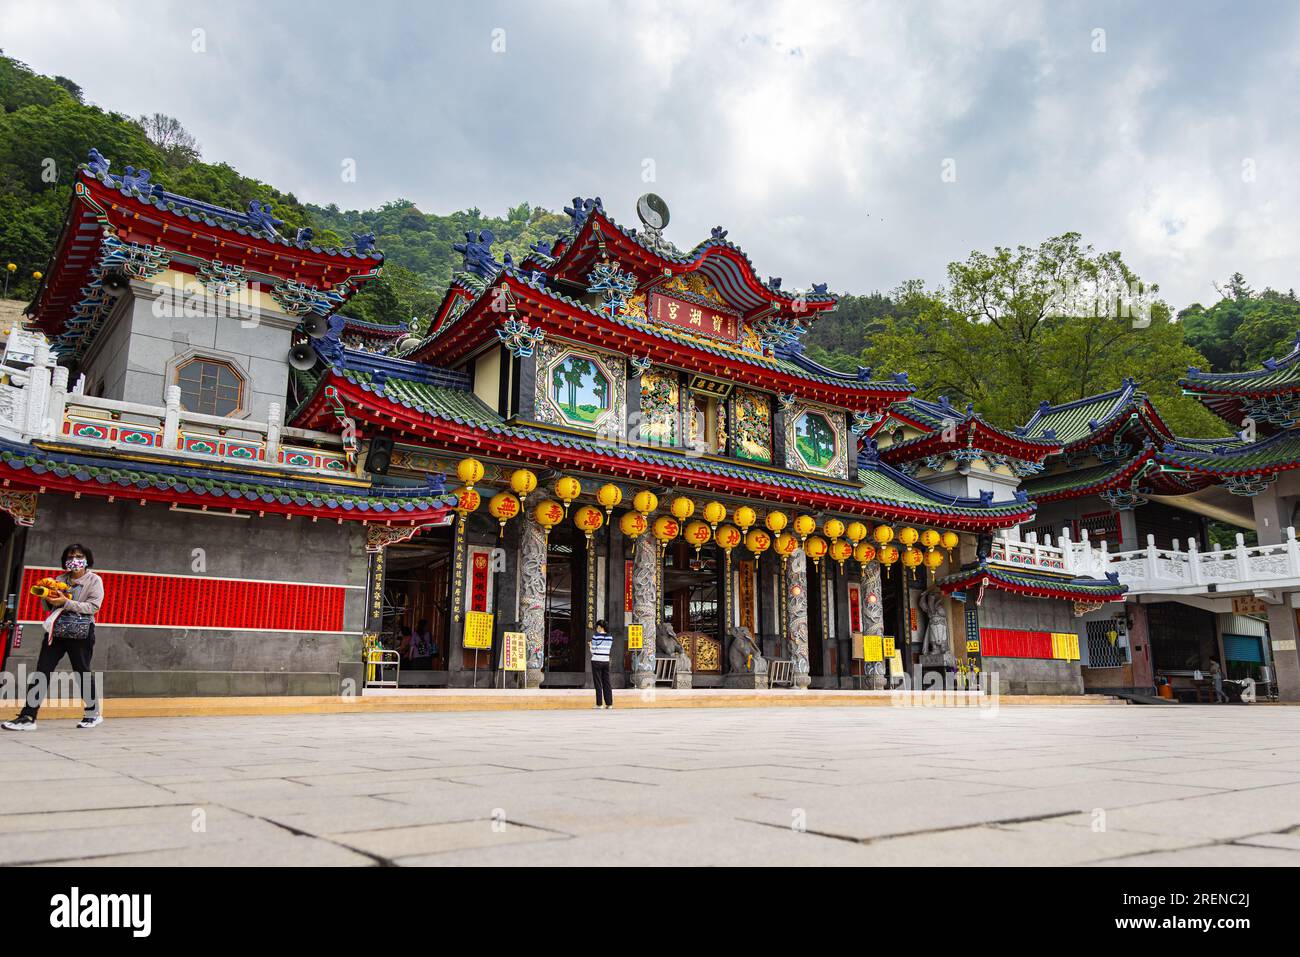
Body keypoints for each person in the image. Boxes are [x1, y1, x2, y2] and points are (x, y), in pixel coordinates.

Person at [3, 544, 105, 731]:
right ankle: (28, 716)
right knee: (42, 671)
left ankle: (92, 713)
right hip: (56, 632)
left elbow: (93, 607)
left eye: (79, 555)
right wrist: (46, 596)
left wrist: (66, 602)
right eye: (70, 556)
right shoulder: (59, 579)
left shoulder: (94, 580)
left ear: (86, 559)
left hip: (80, 634)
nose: (74, 559)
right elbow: (48, 609)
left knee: (82, 672)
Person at [590, 619, 614, 709]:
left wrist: (590, 646)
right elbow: (608, 649)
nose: (596, 628)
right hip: (606, 661)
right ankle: (609, 703)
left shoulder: (595, 637)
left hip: (596, 660)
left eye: (597, 627)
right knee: (607, 682)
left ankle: (599, 704)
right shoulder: (610, 637)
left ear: (600, 627)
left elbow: (593, 651)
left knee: (598, 683)